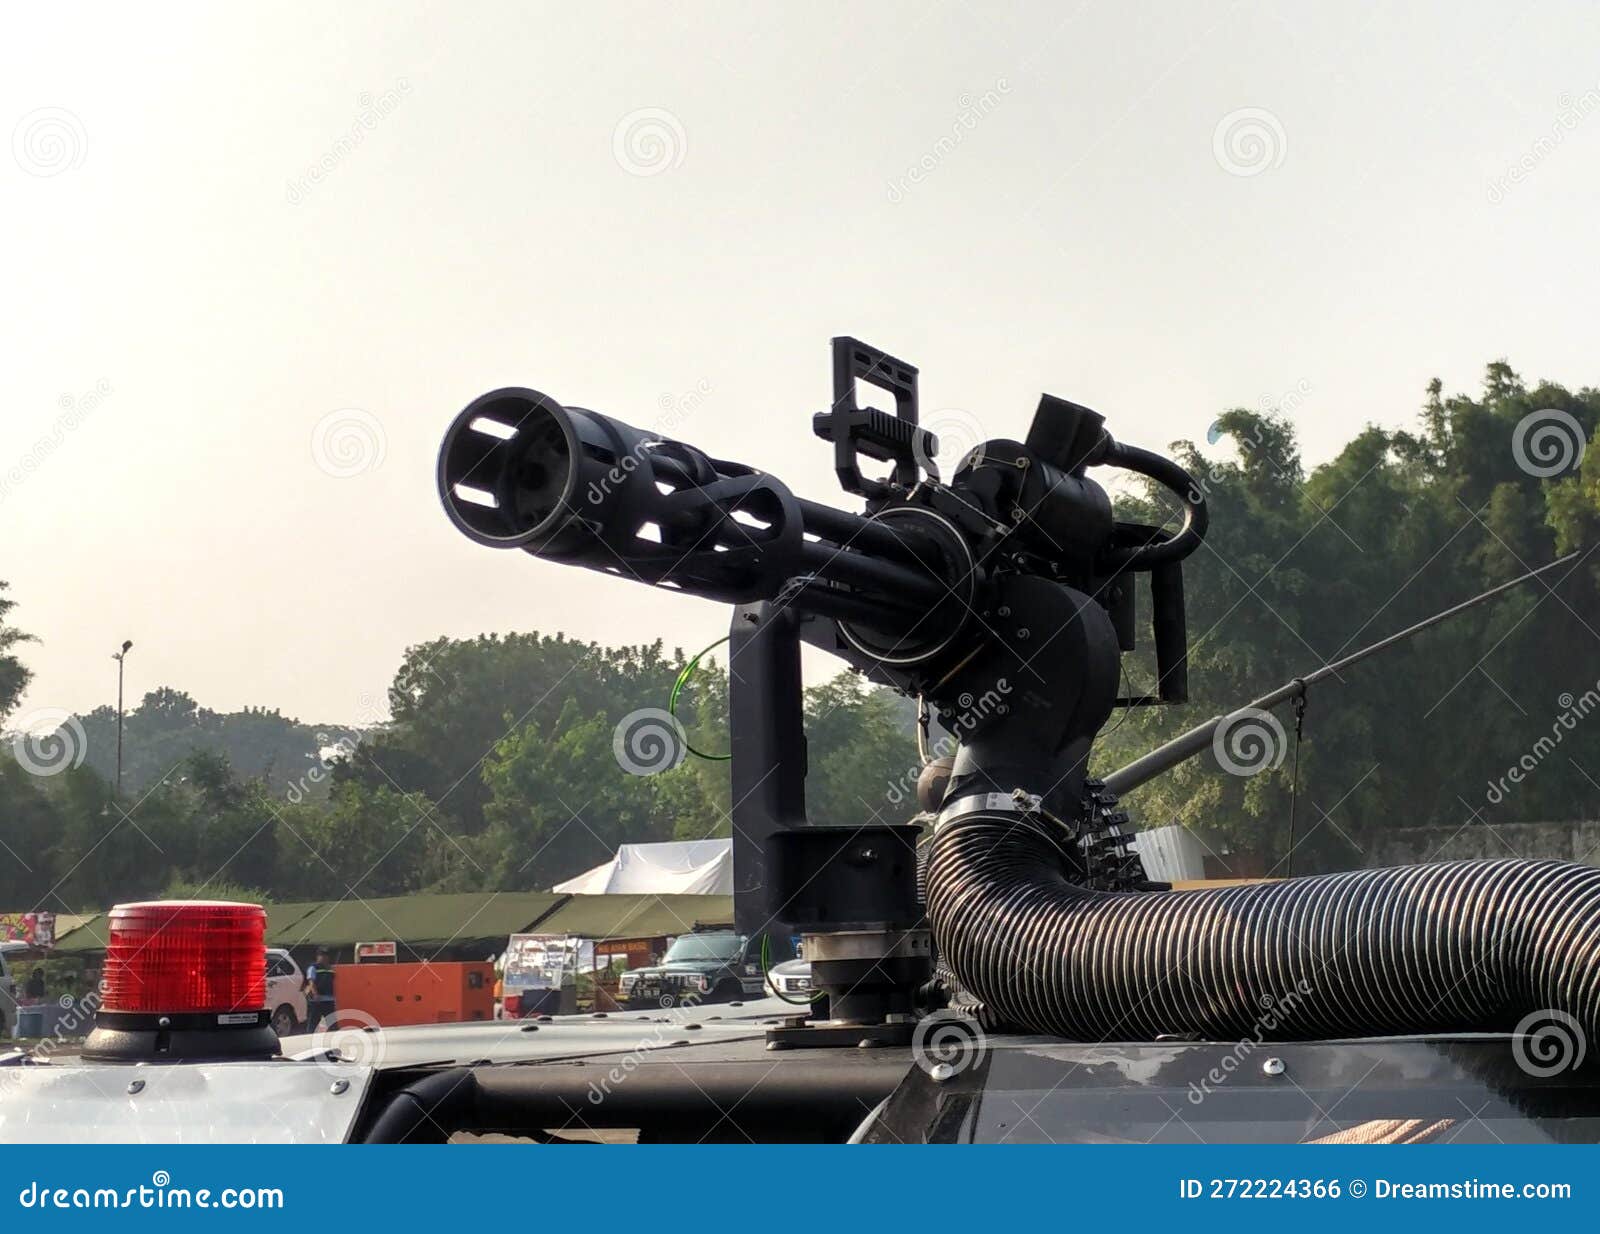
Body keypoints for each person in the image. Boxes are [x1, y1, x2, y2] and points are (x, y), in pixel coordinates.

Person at [302, 948, 337, 1033]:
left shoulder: (330, 968)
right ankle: (308, 1037)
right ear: (318, 956)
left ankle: (332, 1037)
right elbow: (311, 981)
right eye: (322, 955)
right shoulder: (313, 967)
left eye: (326, 956)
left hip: (329, 1000)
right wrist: (315, 994)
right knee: (313, 1023)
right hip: (317, 1000)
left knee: (333, 1024)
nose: (324, 958)